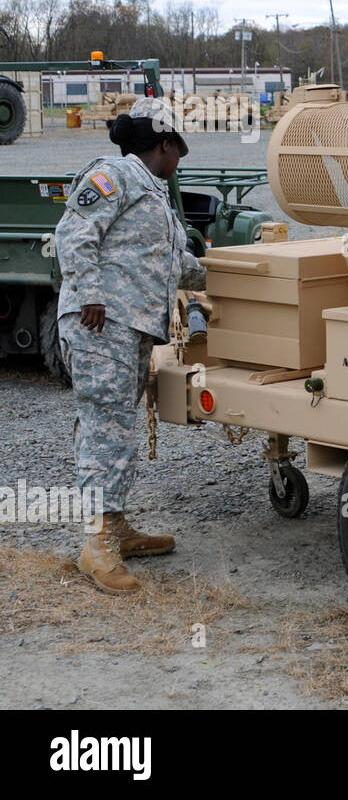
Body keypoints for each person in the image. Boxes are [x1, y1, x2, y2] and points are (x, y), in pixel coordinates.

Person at [55, 98, 207, 595]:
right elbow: (73, 233)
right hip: (102, 321)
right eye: (177, 151)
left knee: (115, 424)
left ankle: (115, 527)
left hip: (130, 325)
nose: (179, 160)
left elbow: (169, 263)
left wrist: (227, 271)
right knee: (106, 426)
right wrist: (92, 294)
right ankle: (96, 545)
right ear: (163, 145)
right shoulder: (113, 175)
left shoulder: (151, 191)